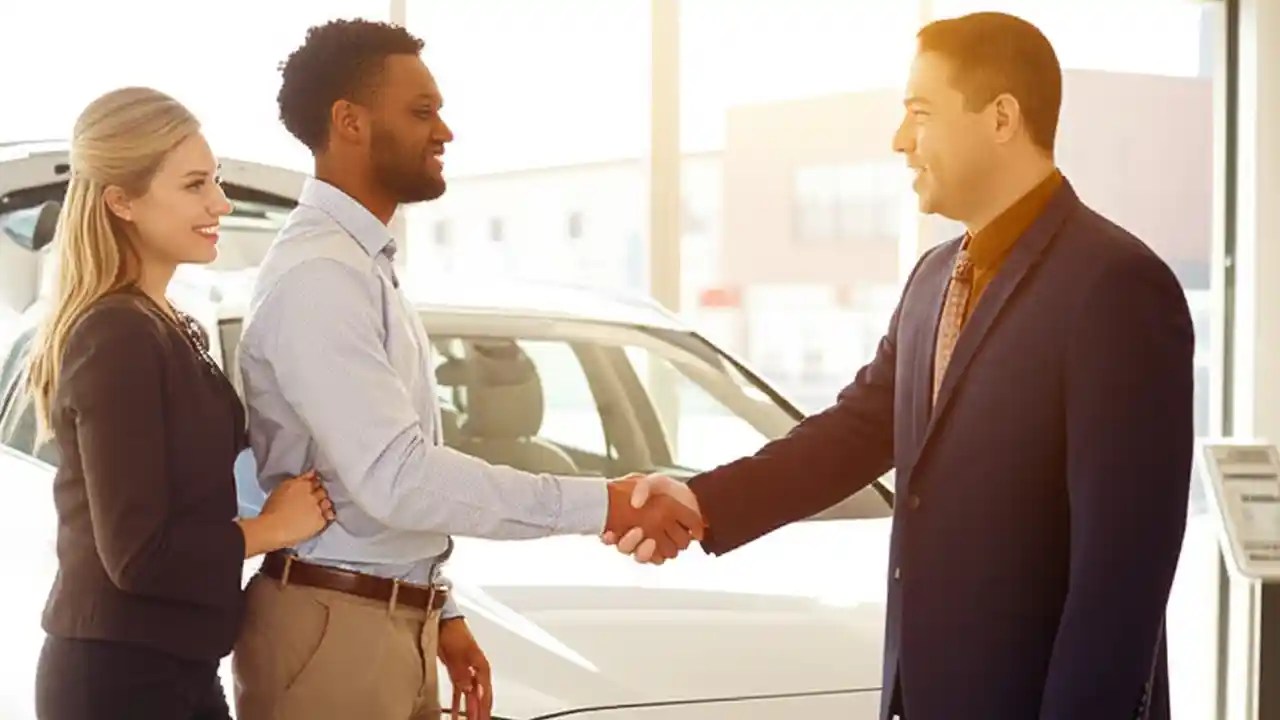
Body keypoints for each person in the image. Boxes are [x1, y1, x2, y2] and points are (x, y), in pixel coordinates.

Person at [608, 11, 1193, 720]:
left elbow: (1122, 577)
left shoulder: (1116, 286)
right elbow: (855, 432)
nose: (899, 140)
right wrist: (703, 502)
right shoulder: (933, 278)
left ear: (1001, 118)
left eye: (920, 113)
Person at [230, 19, 701, 720]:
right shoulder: (320, 277)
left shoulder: (360, 265)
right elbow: (397, 479)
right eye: (422, 112)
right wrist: (605, 502)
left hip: (379, 619)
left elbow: (380, 484)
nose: (444, 132)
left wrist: (437, 607)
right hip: (335, 634)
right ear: (349, 122)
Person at [25, 87, 334, 720]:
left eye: (215, 180)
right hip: (120, 681)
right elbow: (140, 558)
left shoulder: (167, 324)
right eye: (195, 185)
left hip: (174, 667)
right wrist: (273, 528)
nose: (220, 202)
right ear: (122, 202)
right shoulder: (117, 334)